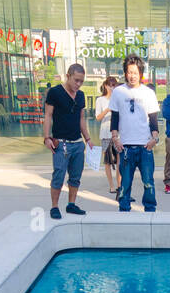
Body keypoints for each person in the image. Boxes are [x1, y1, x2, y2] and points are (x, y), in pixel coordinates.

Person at [109, 54, 161, 212]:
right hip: (125, 147)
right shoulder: (118, 92)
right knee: (125, 183)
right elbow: (114, 118)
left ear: (141, 73)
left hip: (145, 146)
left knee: (148, 182)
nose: (132, 76)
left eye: (135, 72)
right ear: (125, 72)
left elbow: (153, 120)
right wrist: (115, 138)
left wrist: (155, 139)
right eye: (129, 72)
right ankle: (124, 211)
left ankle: (150, 211)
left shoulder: (148, 93)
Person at [43, 63, 92, 219]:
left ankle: (71, 204)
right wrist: (46, 137)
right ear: (68, 76)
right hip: (61, 142)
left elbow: (81, 119)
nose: (78, 84)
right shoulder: (55, 92)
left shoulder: (81, 95)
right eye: (76, 80)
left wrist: (88, 139)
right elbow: (48, 116)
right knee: (58, 174)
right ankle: (54, 206)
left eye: (81, 81)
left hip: (77, 143)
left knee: (75, 176)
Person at [94, 75, 120, 194]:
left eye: (114, 85)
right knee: (107, 161)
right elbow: (98, 117)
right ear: (105, 86)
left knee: (119, 159)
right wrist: (107, 110)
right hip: (105, 133)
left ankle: (120, 184)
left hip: (118, 133)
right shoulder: (100, 100)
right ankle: (111, 186)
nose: (112, 87)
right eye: (110, 85)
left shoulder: (118, 98)